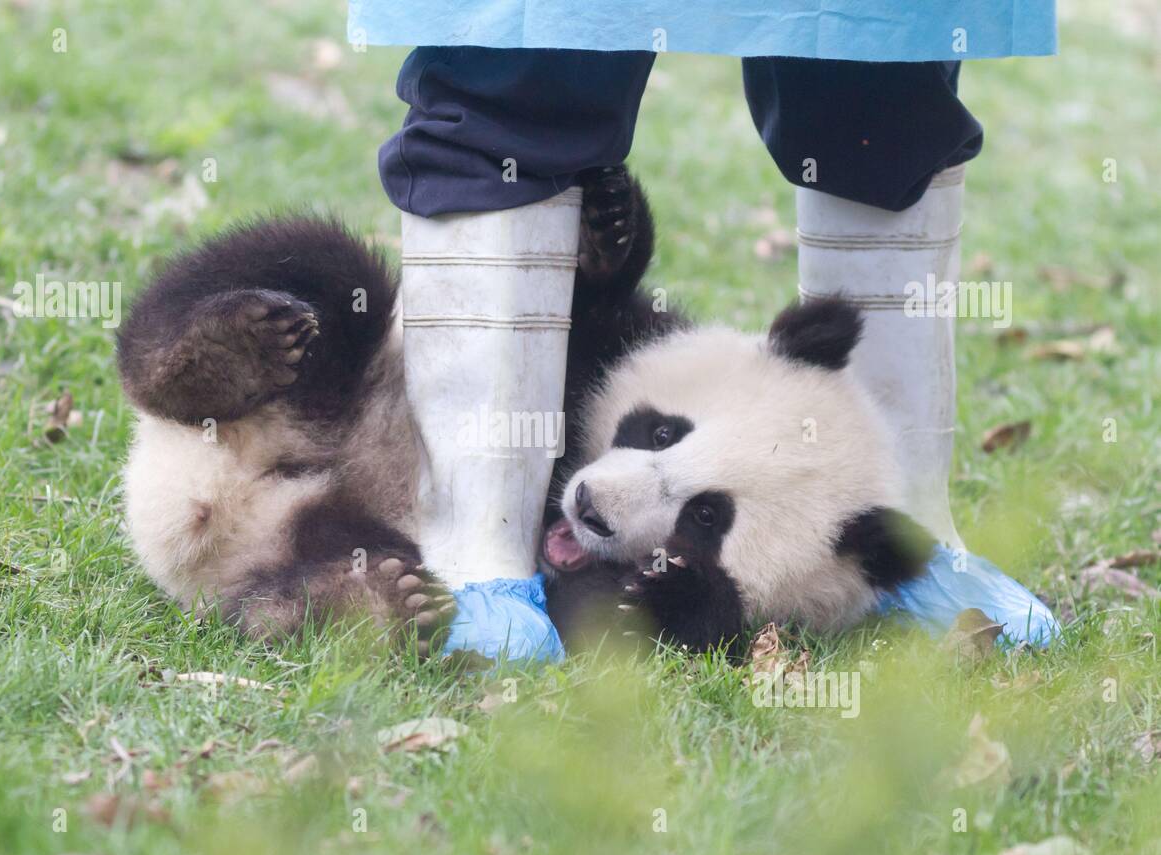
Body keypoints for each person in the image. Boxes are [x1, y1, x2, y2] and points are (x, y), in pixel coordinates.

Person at [348, 1, 1061, 660]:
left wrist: (697, 602)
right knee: (535, 39)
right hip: (378, 416)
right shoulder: (667, 370)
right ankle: (478, 550)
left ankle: (916, 527)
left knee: (885, 38)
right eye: (663, 435)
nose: (612, 495)